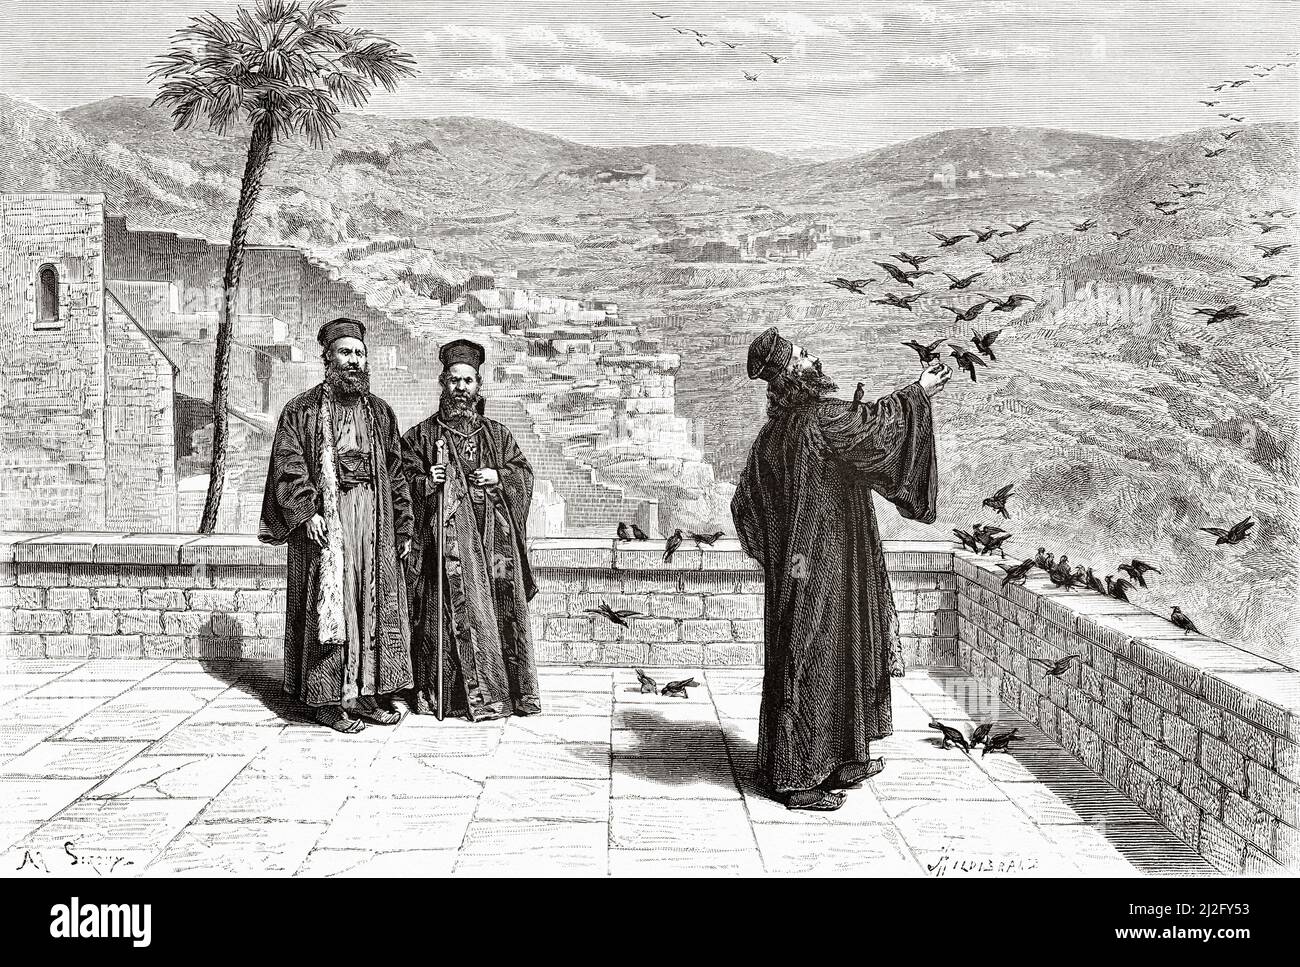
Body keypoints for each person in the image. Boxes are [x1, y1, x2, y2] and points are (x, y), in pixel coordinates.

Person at [731, 327, 950, 810]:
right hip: (825, 562)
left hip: (813, 563)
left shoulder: (774, 432)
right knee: (815, 660)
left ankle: (844, 756)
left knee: (840, 650)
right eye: (804, 355)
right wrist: (920, 393)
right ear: (791, 372)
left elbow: (744, 504)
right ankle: (798, 779)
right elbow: (873, 429)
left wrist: (780, 553)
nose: (814, 357)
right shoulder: (815, 419)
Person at [258, 317, 414, 734]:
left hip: (373, 521)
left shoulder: (380, 412)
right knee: (335, 605)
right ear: (327, 358)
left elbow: (396, 473)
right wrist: (306, 512)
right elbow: (288, 467)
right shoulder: (302, 410)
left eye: (359, 354)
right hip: (328, 523)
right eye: (345, 353)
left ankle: (365, 695)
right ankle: (328, 701)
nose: (354, 361)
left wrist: (403, 528)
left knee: (369, 602)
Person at [401, 338, 542, 721]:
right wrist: (427, 481)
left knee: (494, 616)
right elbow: (400, 483)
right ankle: (443, 696)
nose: (461, 389)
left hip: (493, 549)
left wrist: (499, 475)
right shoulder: (420, 436)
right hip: (442, 554)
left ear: (479, 386)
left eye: (468, 381)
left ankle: (500, 694)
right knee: (440, 623)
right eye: (454, 381)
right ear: (442, 383)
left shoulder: (497, 436)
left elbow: (524, 475)